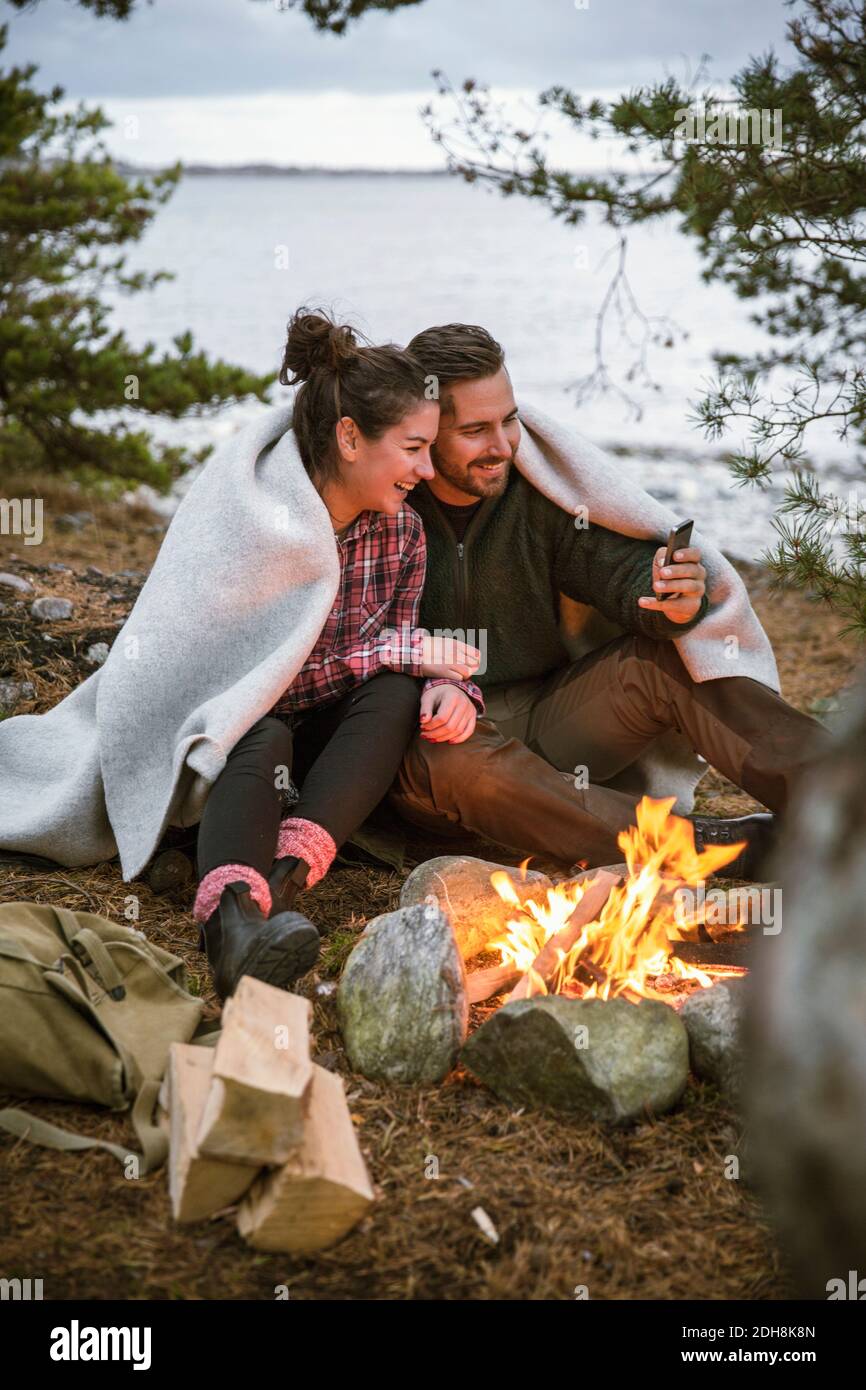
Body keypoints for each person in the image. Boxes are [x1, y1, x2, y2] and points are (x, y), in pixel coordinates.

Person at [383, 322, 832, 878]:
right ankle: (710, 848)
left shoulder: (535, 495)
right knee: (455, 760)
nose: (502, 446)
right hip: (434, 742)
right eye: (475, 430)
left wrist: (666, 593)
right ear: (424, 432)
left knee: (665, 663)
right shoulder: (383, 508)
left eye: (510, 420)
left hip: (547, 719)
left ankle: (843, 802)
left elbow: (611, 567)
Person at [192, 310, 484, 998]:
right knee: (261, 732)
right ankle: (231, 927)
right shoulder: (261, 522)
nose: (426, 467)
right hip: (230, 744)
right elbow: (247, 686)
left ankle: (284, 889)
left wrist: (450, 687)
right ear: (349, 437)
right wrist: (395, 651)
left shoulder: (404, 533)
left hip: (322, 761)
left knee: (393, 693)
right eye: (413, 447)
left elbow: (400, 655)